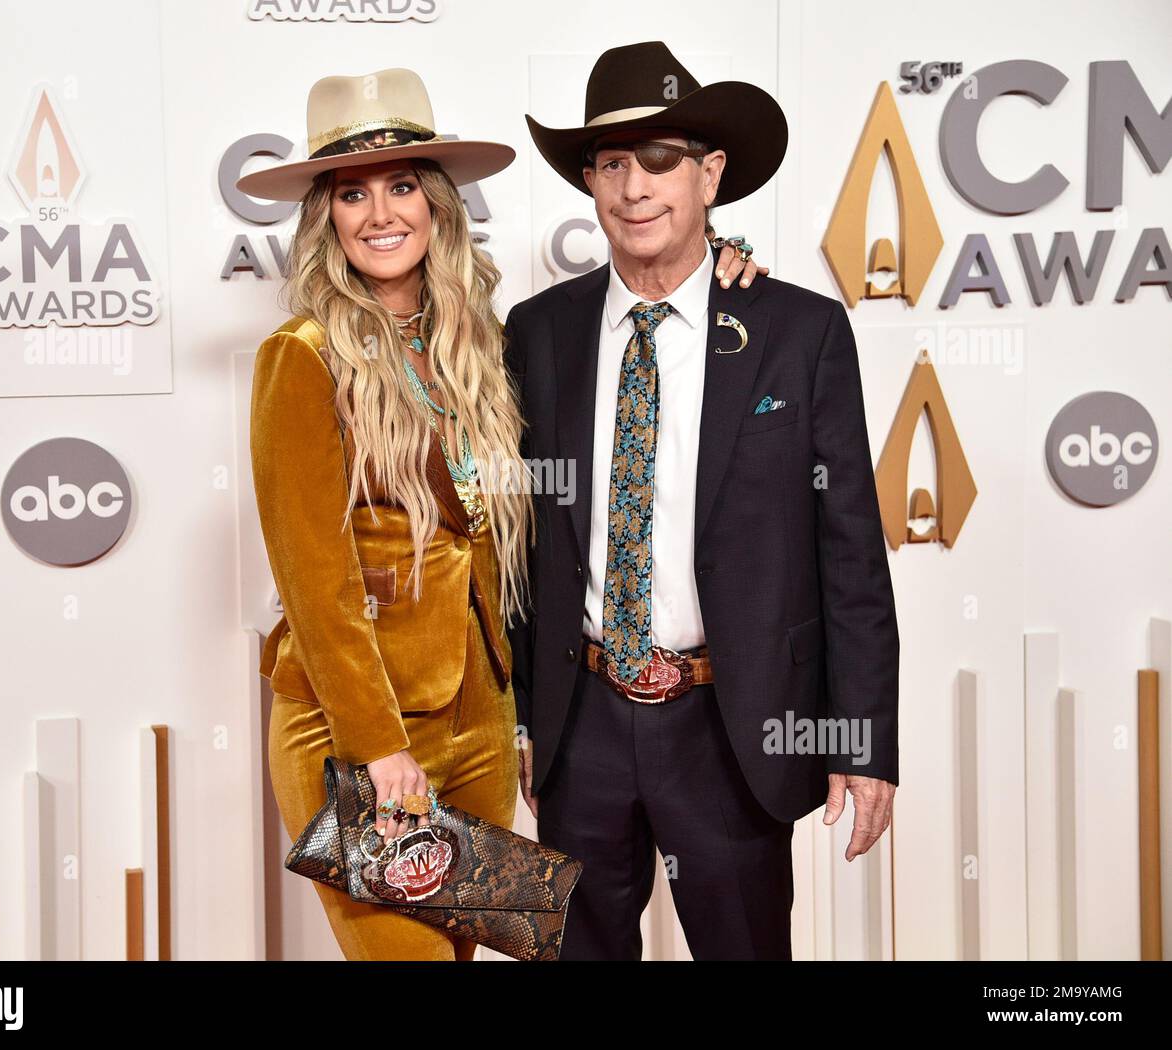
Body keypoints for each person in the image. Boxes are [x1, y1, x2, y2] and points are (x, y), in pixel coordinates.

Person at [239, 66, 766, 960]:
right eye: (351, 193)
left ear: (438, 203)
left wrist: (724, 263)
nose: (381, 213)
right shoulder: (303, 357)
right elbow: (313, 579)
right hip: (361, 733)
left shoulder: (477, 344)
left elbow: (505, 543)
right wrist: (378, 749)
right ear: (324, 216)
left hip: (479, 722)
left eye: (402, 185)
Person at [505, 41, 901, 960]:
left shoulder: (796, 331)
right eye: (611, 163)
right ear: (589, 182)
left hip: (731, 725)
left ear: (710, 174)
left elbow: (849, 549)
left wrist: (866, 737)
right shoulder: (537, 333)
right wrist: (524, 715)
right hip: (583, 722)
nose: (634, 188)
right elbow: (520, 549)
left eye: (660, 160)